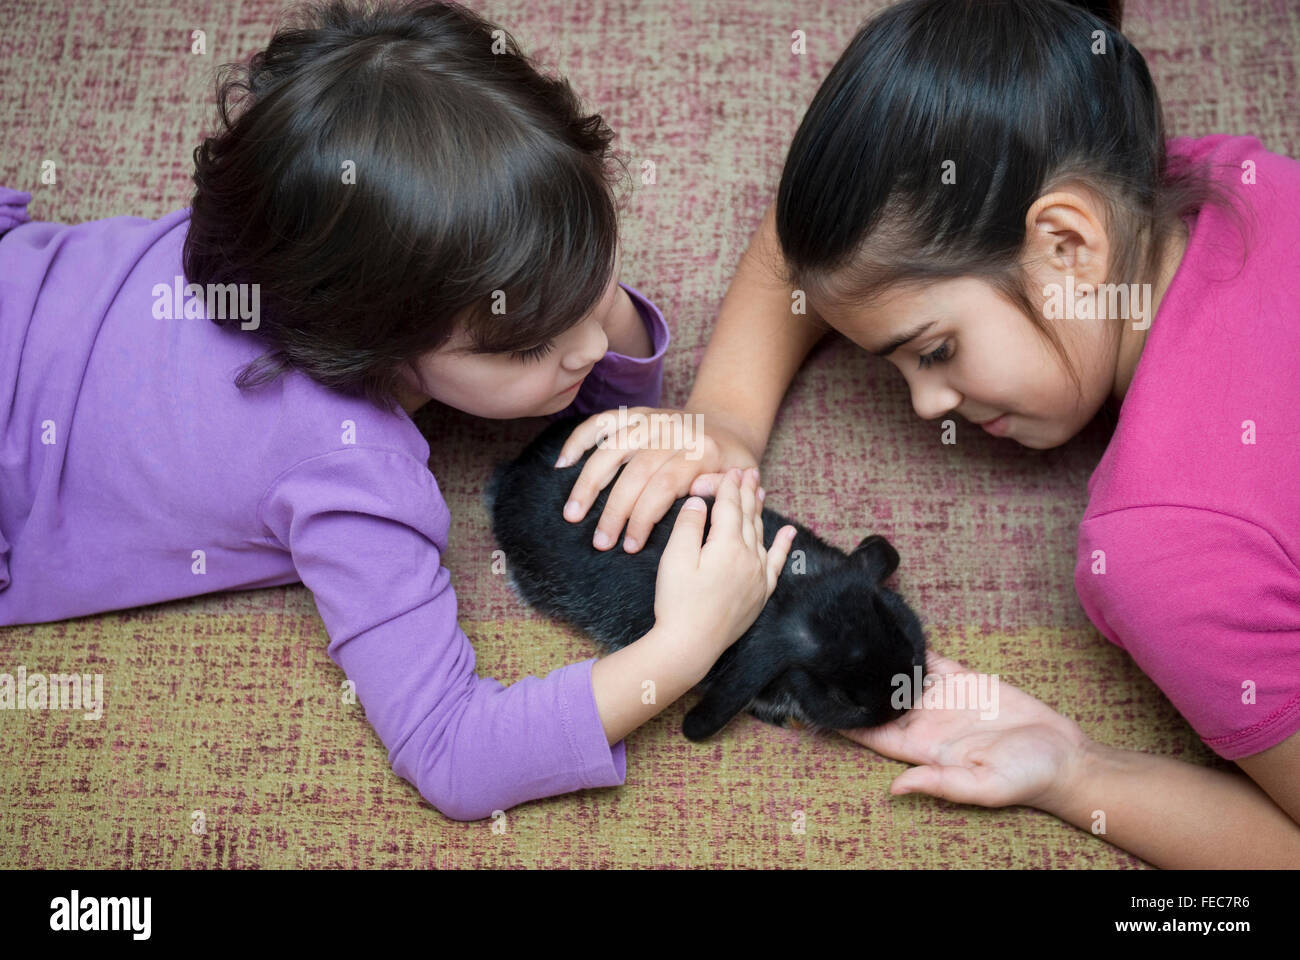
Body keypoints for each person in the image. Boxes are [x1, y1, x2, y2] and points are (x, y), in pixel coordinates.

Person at [0, 0, 793, 822]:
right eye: (525, 344)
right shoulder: (347, 472)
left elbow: (588, 367)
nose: (591, 348)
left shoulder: (291, 217)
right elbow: (453, 753)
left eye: (594, 272)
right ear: (369, 350)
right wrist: (685, 646)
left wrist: (588, 320)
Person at [554, 0, 1300, 866]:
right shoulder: (1244, 186)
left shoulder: (1169, 552)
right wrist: (723, 416)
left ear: (1068, 243)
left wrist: (1079, 774)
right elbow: (823, 252)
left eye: (936, 350)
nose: (924, 407)